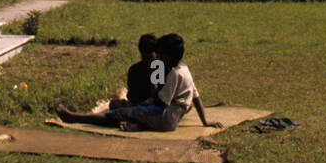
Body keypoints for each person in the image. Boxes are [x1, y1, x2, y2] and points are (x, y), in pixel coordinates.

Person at [54, 32, 221, 132]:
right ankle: (136, 122)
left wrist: (153, 86)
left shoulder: (170, 72)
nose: (154, 58)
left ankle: (75, 118)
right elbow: (194, 95)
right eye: (148, 56)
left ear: (163, 55)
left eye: (157, 54)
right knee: (120, 107)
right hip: (159, 110)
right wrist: (205, 122)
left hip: (164, 114)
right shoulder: (181, 69)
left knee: (116, 114)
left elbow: (161, 101)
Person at [108, 32, 157, 111]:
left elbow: (161, 97)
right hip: (137, 106)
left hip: (155, 108)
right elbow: (132, 96)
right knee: (114, 104)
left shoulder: (161, 69)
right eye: (145, 56)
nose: (148, 60)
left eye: (150, 56)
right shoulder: (134, 70)